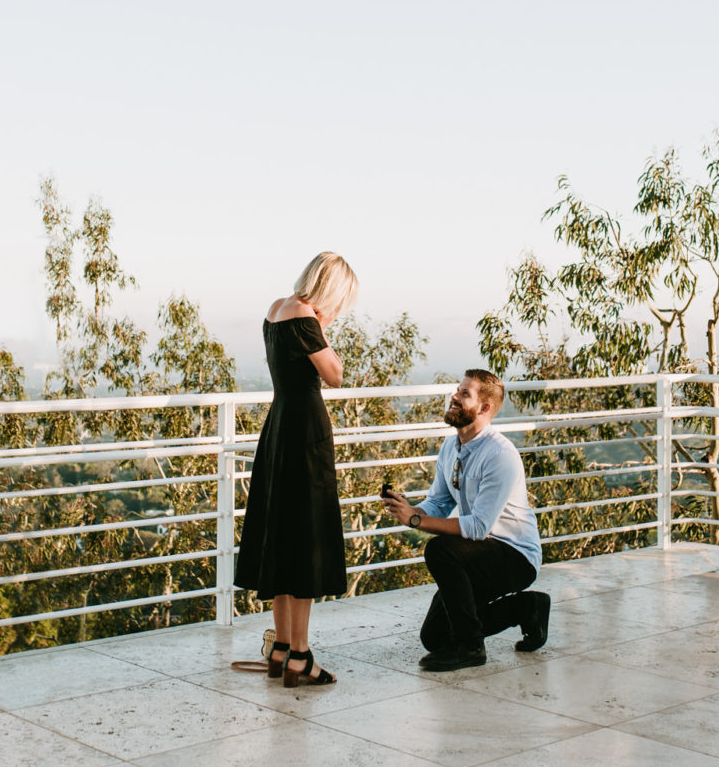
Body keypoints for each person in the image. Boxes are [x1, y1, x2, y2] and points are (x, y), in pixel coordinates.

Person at [234, 251, 358, 687]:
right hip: (305, 431)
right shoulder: (306, 318)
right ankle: (300, 655)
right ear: (333, 290)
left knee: (283, 536)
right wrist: (324, 327)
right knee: (306, 539)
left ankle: (282, 647)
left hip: (279, 425)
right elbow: (336, 375)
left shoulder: (275, 310)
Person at [381, 369, 549, 671]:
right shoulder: (451, 447)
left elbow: (477, 527)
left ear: (484, 408)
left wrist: (419, 523)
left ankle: (471, 649)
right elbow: (439, 502)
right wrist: (411, 511)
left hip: (514, 555)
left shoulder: (500, 455)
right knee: (434, 637)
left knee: (440, 550)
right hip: (478, 553)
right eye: (457, 391)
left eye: (464, 394)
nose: (454, 397)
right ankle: (527, 608)